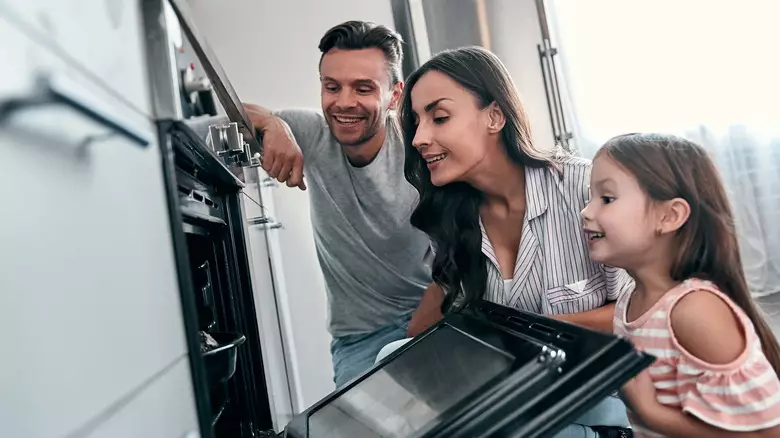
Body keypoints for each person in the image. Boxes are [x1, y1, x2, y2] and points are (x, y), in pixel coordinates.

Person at [399, 46, 634, 437]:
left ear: (494, 116)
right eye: (416, 123)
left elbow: (639, 314)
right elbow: (417, 336)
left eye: (439, 117)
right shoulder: (456, 217)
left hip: (603, 398)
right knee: (390, 357)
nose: (420, 138)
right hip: (521, 391)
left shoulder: (583, 187)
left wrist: (522, 338)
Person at [242, 21, 432, 388]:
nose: (344, 102)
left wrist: (413, 337)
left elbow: (457, 261)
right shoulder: (311, 133)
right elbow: (221, 117)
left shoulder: (421, 149)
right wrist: (271, 122)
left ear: (395, 96)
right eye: (332, 87)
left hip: (433, 317)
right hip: (358, 338)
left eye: (363, 88)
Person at [583, 133, 780, 437]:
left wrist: (652, 414)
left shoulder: (694, 310)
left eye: (606, 199)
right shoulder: (629, 301)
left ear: (669, 216)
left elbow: (767, 433)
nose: (586, 212)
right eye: (590, 198)